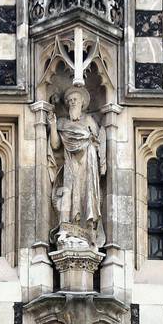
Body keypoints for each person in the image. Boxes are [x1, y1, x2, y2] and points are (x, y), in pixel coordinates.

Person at [48, 84, 106, 246]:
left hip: (88, 162)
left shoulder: (89, 121)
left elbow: (98, 142)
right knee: (69, 192)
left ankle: (88, 229)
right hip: (70, 163)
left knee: (88, 192)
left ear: (82, 103)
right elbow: (55, 145)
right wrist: (53, 125)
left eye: (75, 100)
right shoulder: (63, 123)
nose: (72, 102)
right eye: (69, 100)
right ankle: (67, 227)